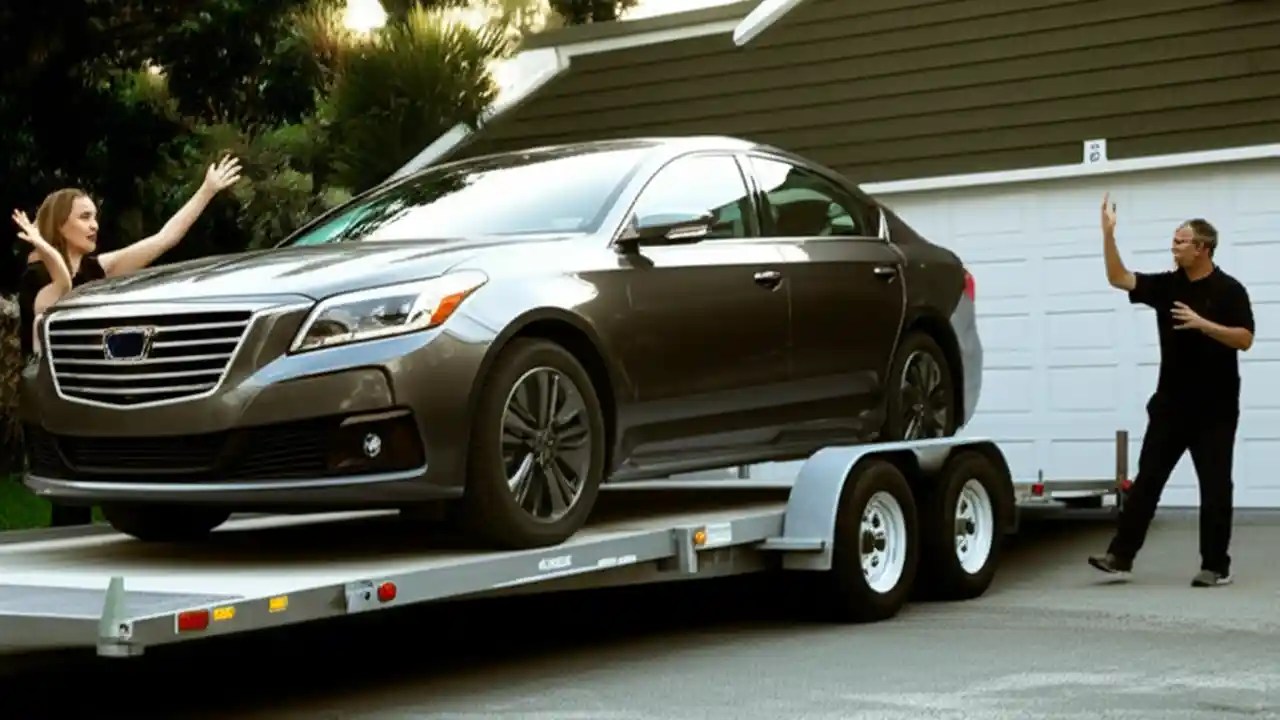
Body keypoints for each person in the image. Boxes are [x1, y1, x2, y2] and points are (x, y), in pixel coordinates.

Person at [11, 155, 242, 526]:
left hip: (97, 388)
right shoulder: (35, 277)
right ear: (60, 224)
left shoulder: (97, 268)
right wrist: (43, 245)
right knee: (69, 496)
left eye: (94, 216)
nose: (94, 225)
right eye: (84, 217)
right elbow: (59, 293)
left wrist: (207, 190)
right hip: (56, 395)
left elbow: (164, 239)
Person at [1087, 192, 1254, 588]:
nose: (1173, 246)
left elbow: (1245, 339)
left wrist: (1204, 325)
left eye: (1181, 241)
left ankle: (1215, 566)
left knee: (1215, 488)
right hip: (1170, 407)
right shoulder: (1167, 286)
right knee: (1147, 483)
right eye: (1174, 240)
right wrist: (1109, 236)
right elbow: (1118, 278)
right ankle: (1120, 558)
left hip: (1215, 410)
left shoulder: (1229, 290)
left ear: (1202, 248)